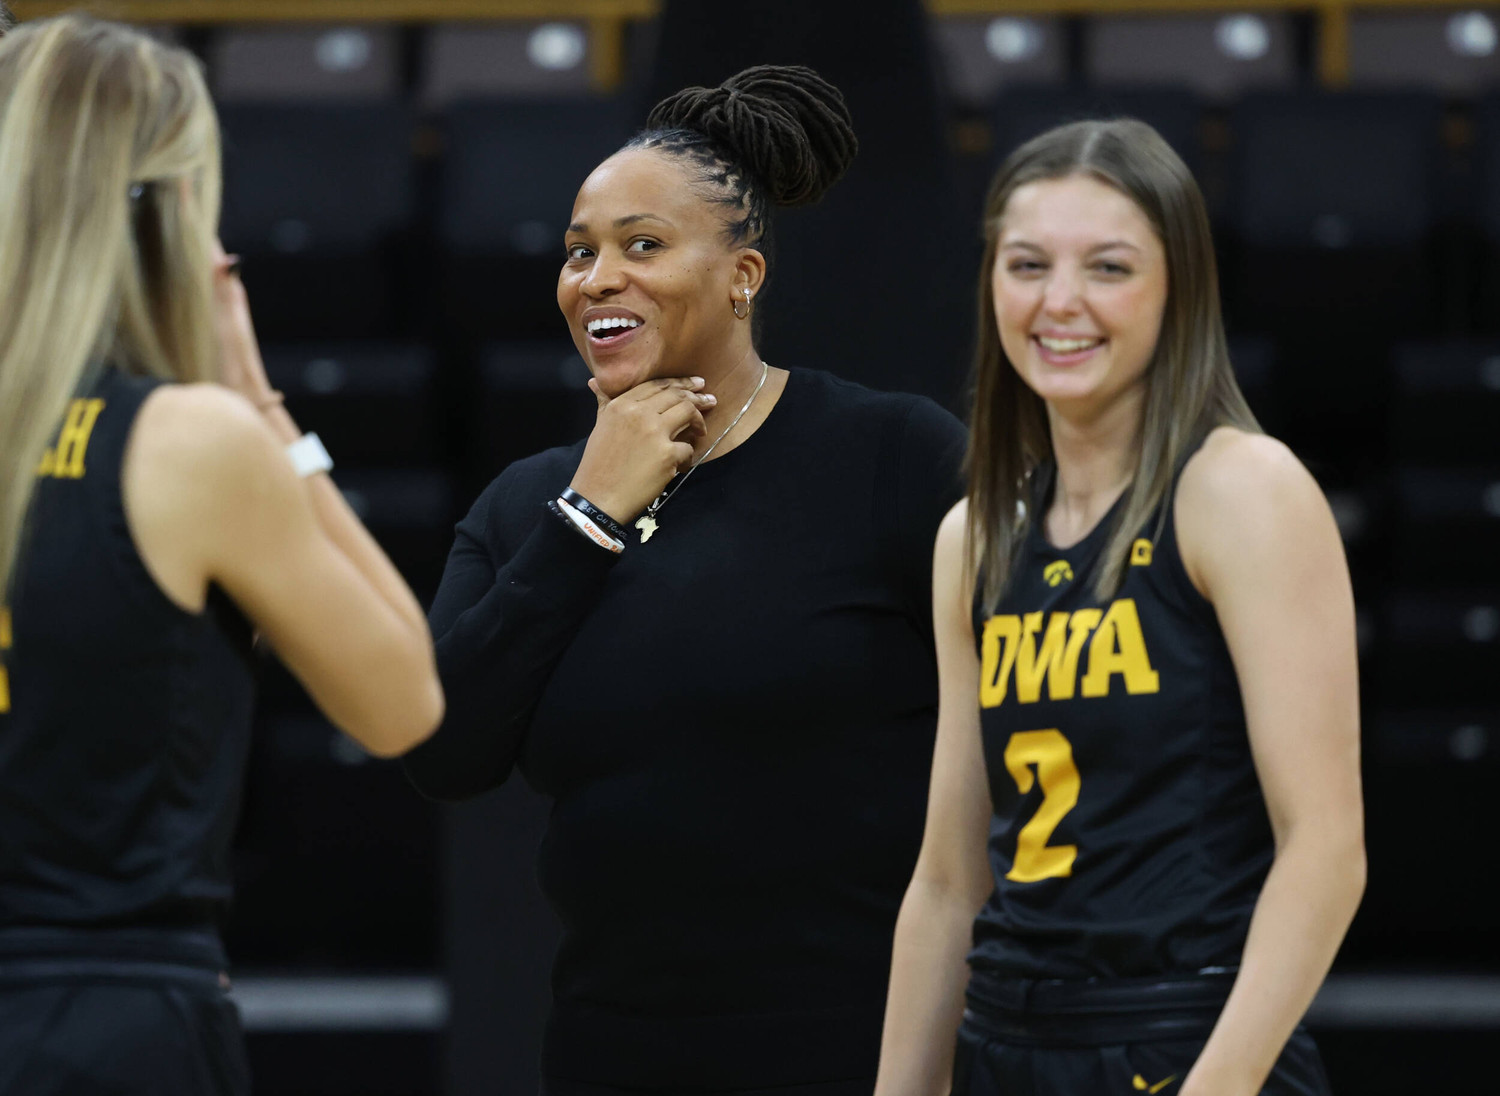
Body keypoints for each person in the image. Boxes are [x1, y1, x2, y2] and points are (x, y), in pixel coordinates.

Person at [402, 65, 967, 1095]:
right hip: (612, 1054)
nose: (596, 278)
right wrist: (587, 517)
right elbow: (443, 748)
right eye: (580, 251)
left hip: (858, 1050)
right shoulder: (526, 506)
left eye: (642, 245)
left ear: (743, 276)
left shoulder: (894, 458)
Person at [874, 119, 1364, 1096]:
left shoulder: (1243, 491)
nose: (1060, 301)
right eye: (1028, 265)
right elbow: (948, 881)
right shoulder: (975, 535)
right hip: (1005, 1041)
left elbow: (1326, 850)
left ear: (1179, 287)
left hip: (1185, 1040)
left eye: (1108, 267)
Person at [0, 17, 444, 1095]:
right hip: (102, 1024)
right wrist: (259, 398)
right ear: (166, 211)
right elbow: (405, 700)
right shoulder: (187, 444)